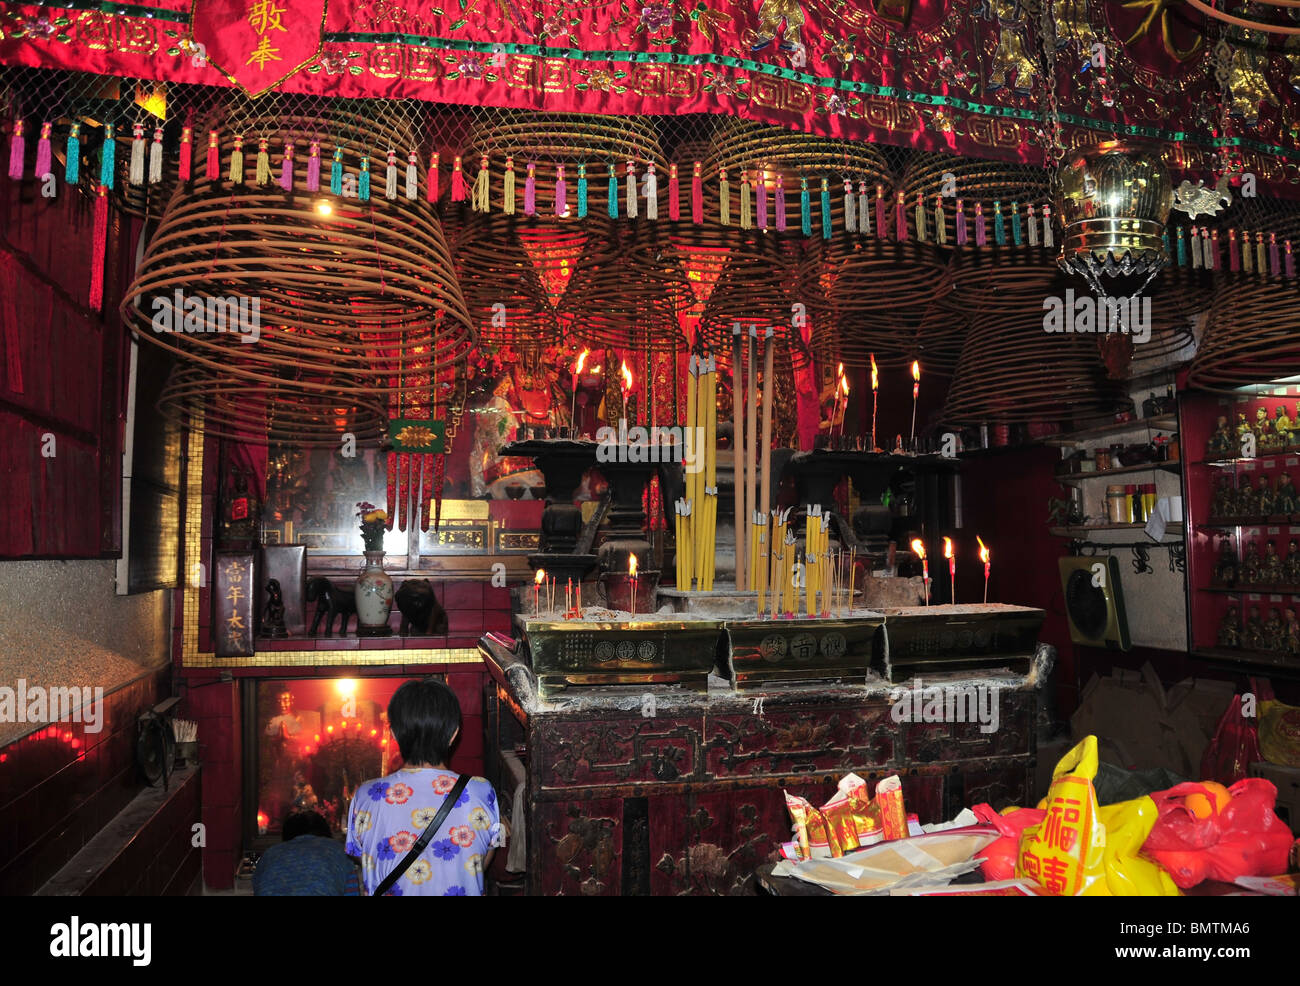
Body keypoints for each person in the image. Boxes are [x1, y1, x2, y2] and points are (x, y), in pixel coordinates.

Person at [346, 679, 501, 896]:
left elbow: (360, 856)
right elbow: (480, 862)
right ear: (454, 734)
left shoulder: (366, 795)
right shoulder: (481, 791)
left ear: (394, 735)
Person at [253, 810, 359, 896]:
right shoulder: (340, 851)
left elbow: (258, 888)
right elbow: (352, 892)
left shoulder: (270, 853)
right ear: (326, 833)